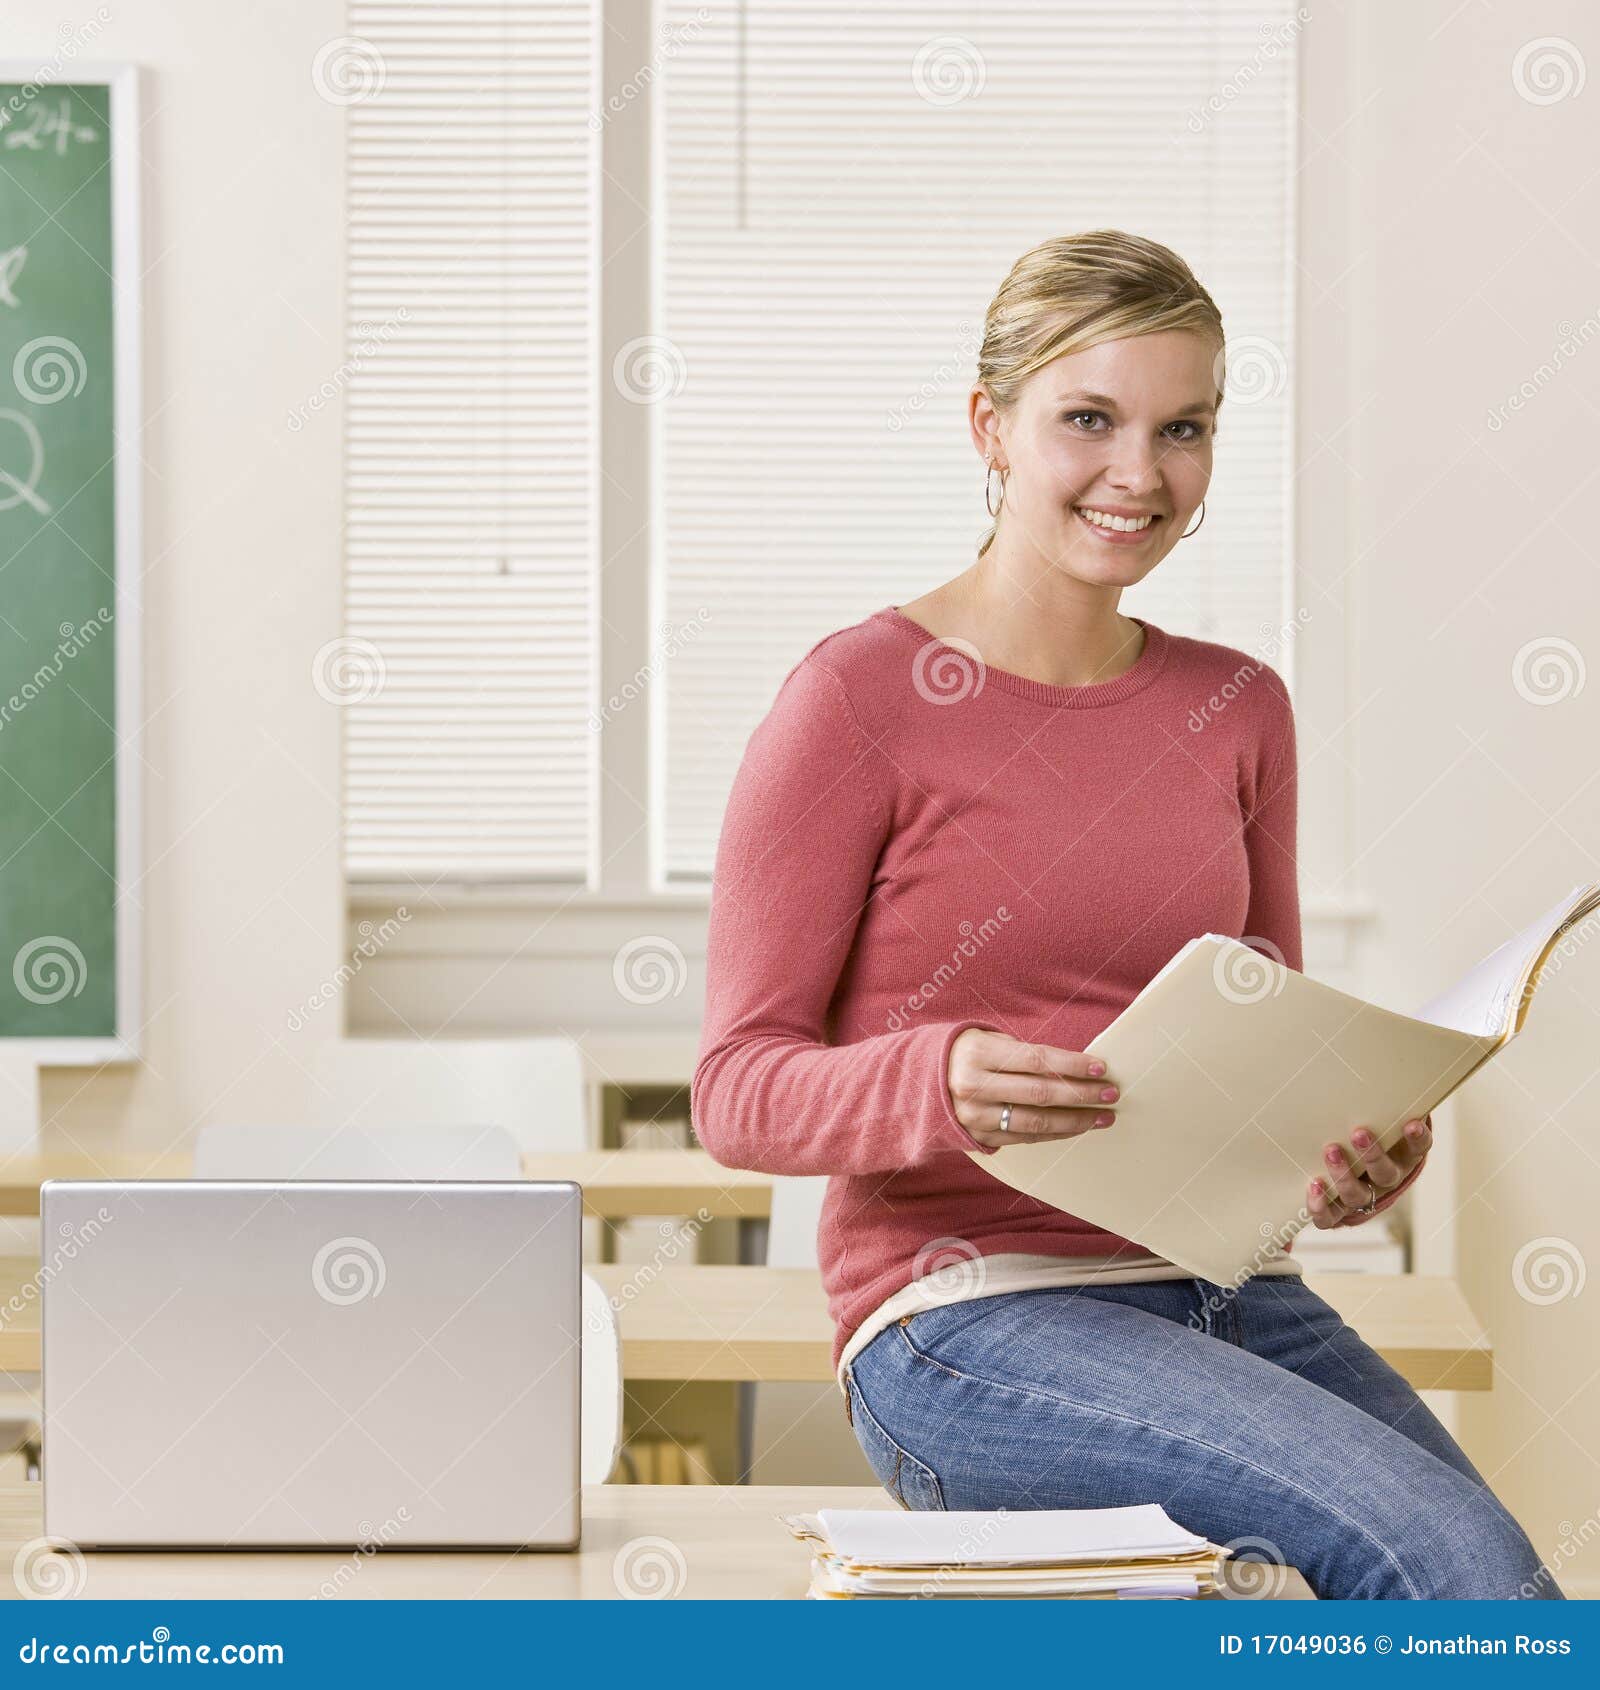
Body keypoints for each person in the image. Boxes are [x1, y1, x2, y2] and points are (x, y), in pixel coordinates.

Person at [690, 230, 1563, 1600]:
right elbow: (738, 1090)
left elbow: (1267, 1035)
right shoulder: (853, 701)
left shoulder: (1239, 707)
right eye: (1087, 419)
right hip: (965, 1317)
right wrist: (943, 1079)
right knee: (1435, 1557)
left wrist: (1351, 1152)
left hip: (1228, 1293)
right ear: (990, 427)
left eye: (1184, 428)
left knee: (1500, 1580)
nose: (1139, 475)